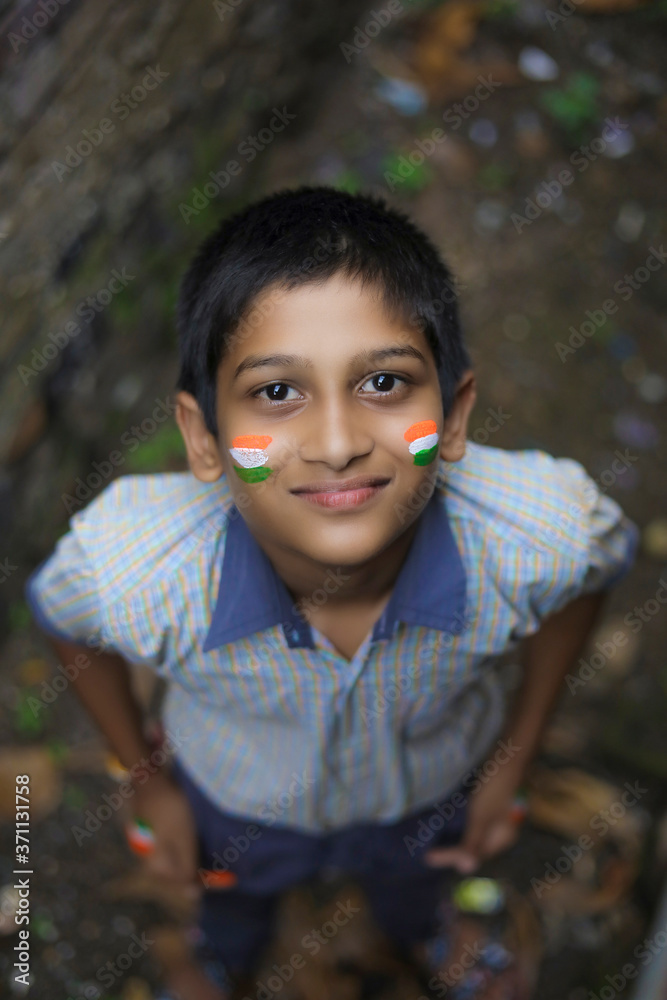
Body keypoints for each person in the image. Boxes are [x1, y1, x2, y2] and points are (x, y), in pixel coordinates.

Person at [25, 185, 639, 999]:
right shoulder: (130, 566)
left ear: (454, 416)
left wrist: (513, 757)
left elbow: (579, 586)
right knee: (231, 891)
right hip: (235, 805)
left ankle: (423, 928)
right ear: (204, 438)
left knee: (418, 880)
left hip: (430, 790)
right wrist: (149, 782)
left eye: (384, 384)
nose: (339, 443)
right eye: (277, 392)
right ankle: (223, 953)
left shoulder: (541, 534)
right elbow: (67, 623)